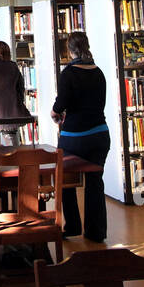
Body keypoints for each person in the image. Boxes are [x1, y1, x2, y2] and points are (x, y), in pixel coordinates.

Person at [51, 30, 109, 243]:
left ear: (69, 50)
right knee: (95, 182)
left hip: (75, 136)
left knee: (64, 179)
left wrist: (54, 113)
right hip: (100, 134)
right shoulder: (99, 72)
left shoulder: (68, 74)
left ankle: (73, 224)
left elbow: (61, 104)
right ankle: (96, 232)